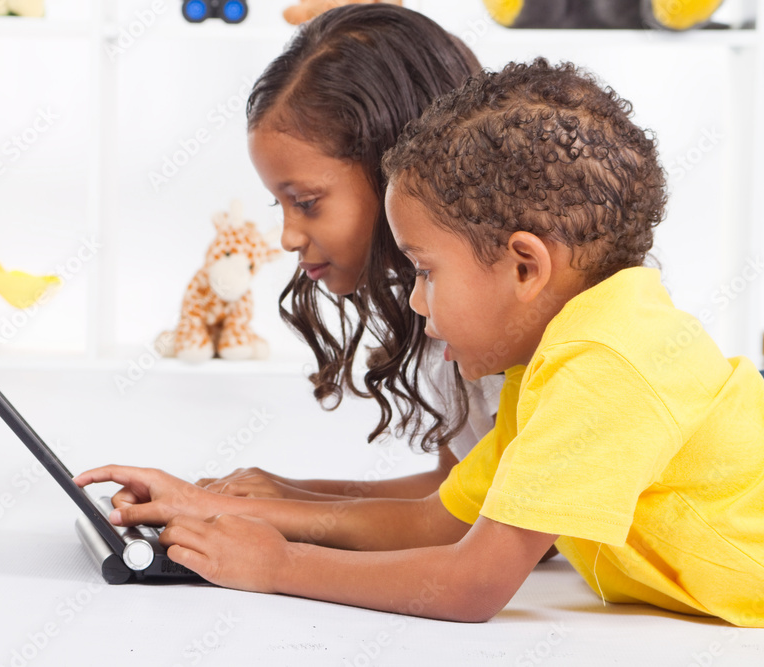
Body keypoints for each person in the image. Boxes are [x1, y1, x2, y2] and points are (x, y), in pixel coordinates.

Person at [77, 58, 764, 625]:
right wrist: (225, 509)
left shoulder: (606, 366)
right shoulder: (560, 360)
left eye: (426, 270)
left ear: (526, 266)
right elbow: (441, 520)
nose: (412, 297)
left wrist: (279, 565)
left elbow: (471, 582)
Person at [194, 3, 504, 505]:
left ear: (396, 169)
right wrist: (278, 496)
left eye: (307, 203)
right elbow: (461, 495)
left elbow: (490, 525)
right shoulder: (436, 302)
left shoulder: (506, 312)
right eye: (281, 205)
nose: (287, 237)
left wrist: (288, 519)